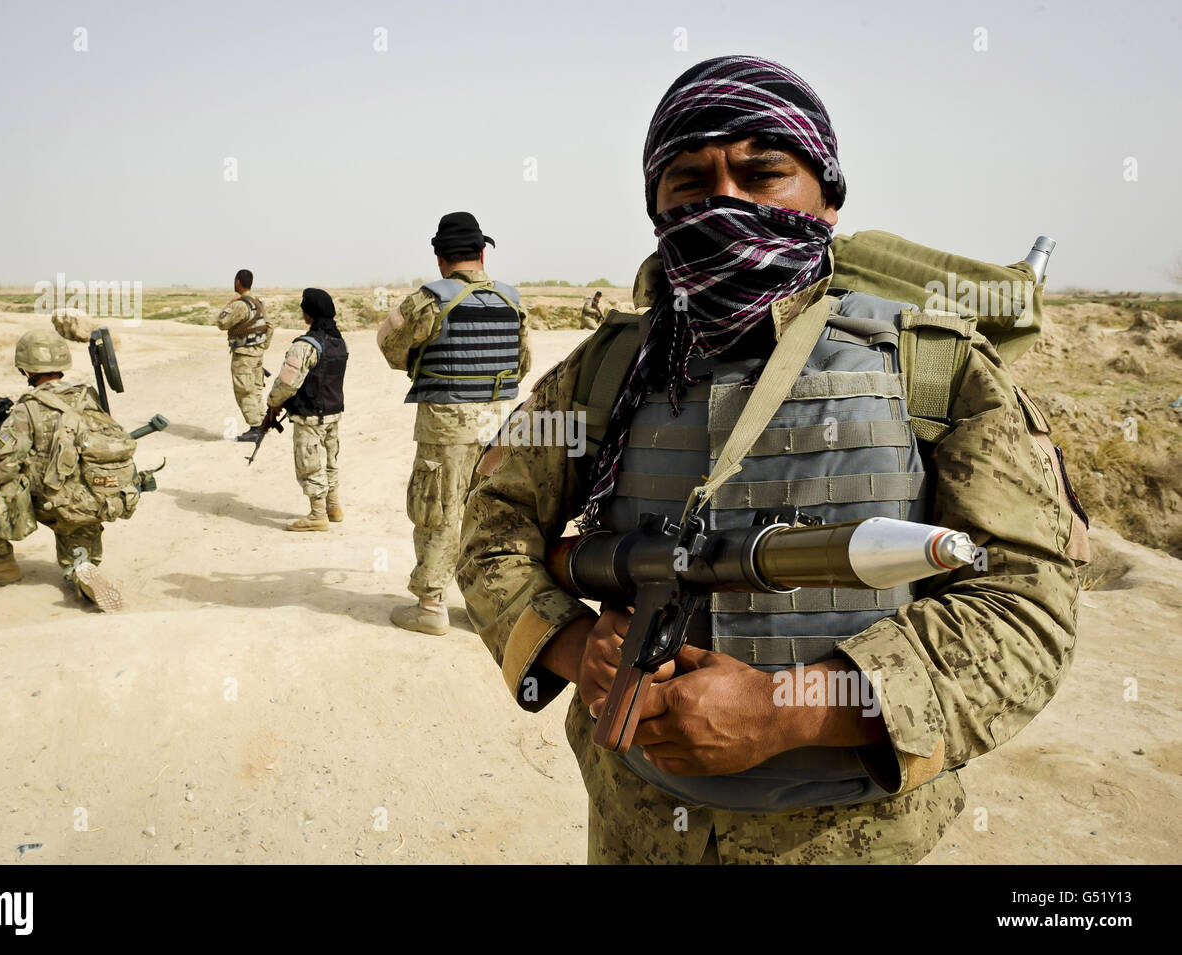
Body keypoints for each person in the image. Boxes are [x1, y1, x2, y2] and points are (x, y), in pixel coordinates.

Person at [457, 56, 1089, 864]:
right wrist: (581, 650)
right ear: (656, 206)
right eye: (690, 182)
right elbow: (492, 529)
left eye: (763, 174)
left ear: (827, 196)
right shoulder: (606, 371)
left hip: (847, 840)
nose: (725, 202)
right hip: (638, 825)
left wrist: (789, 709)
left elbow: (1026, 606)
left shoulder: (933, 366)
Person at [377, 212, 531, 635]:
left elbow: (391, 348)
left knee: (436, 509)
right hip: (493, 425)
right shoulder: (511, 299)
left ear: (440, 259)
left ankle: (430, 605)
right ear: (483, 254)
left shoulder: (429, 299)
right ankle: (485, 603)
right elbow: (523, 363)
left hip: (444, 424)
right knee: (480, 510)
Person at [0, 329, 138, 612]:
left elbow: (4, 467)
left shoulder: (27, 409)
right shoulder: (87, 397)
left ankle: (0, 563)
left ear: (26, 368)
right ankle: (81, 575)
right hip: (93, 504)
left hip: (51, 504)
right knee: (77, 564)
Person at [264, 288, 348, 531]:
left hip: (311, 416)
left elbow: (286, 383)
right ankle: (333, 507)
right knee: (331, 461)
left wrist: (272, 404)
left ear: (308, 313)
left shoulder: (306, 345)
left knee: (310, 464)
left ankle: (317, 515)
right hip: (333, 413)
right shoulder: (338, 342)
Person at [216, 268, 272, 441]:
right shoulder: (258, 302)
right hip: (257, 354)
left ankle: (255, 428)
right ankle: (263, 423)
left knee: (244, 390)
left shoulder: (240, 304)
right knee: (255, 389)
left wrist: (230, 304)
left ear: (238, 281)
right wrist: (262, 346)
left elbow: (221, 322)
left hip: (244, 355)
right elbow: (269, 327)